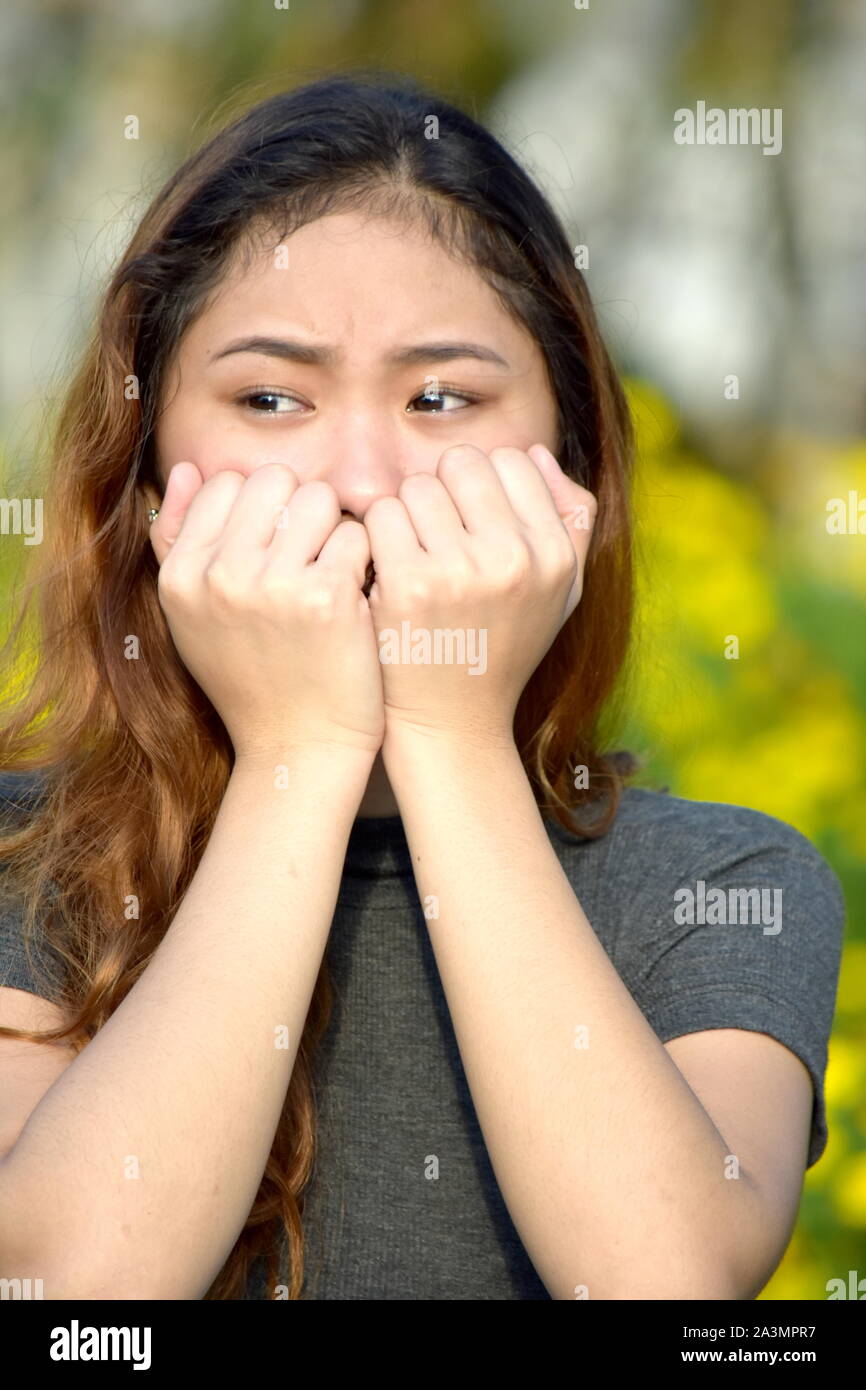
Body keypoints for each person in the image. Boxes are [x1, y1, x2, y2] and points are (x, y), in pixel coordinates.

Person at [0, 69, 845, 1301]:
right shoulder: (26, 871)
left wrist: (446, 731)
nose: (358, 472)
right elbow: (72, 1297)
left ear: (572, 473)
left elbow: (666, 1292)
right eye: (269, 397)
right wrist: (297, 754)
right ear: (144, 481)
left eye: (441, 397)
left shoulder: (717, 887)